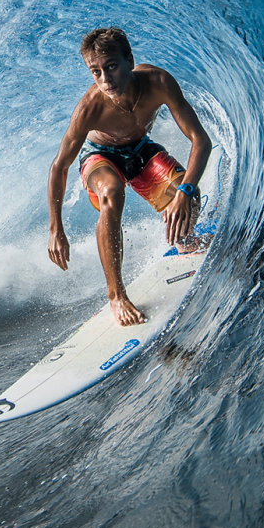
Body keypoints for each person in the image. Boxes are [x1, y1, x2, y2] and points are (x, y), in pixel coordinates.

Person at [46, 27, 212, 326]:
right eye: (95, 72)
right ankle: (116, 296)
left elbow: (201, 140)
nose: (105, 80)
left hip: (141, 151)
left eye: (111, 67)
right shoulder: (89, 108)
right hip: (100, 157)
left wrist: (185, 191)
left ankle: (184, 241)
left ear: (129, 60)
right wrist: (55, 229)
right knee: (112, 192)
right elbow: (59, 166)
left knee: (188, 193)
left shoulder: (158, 82)